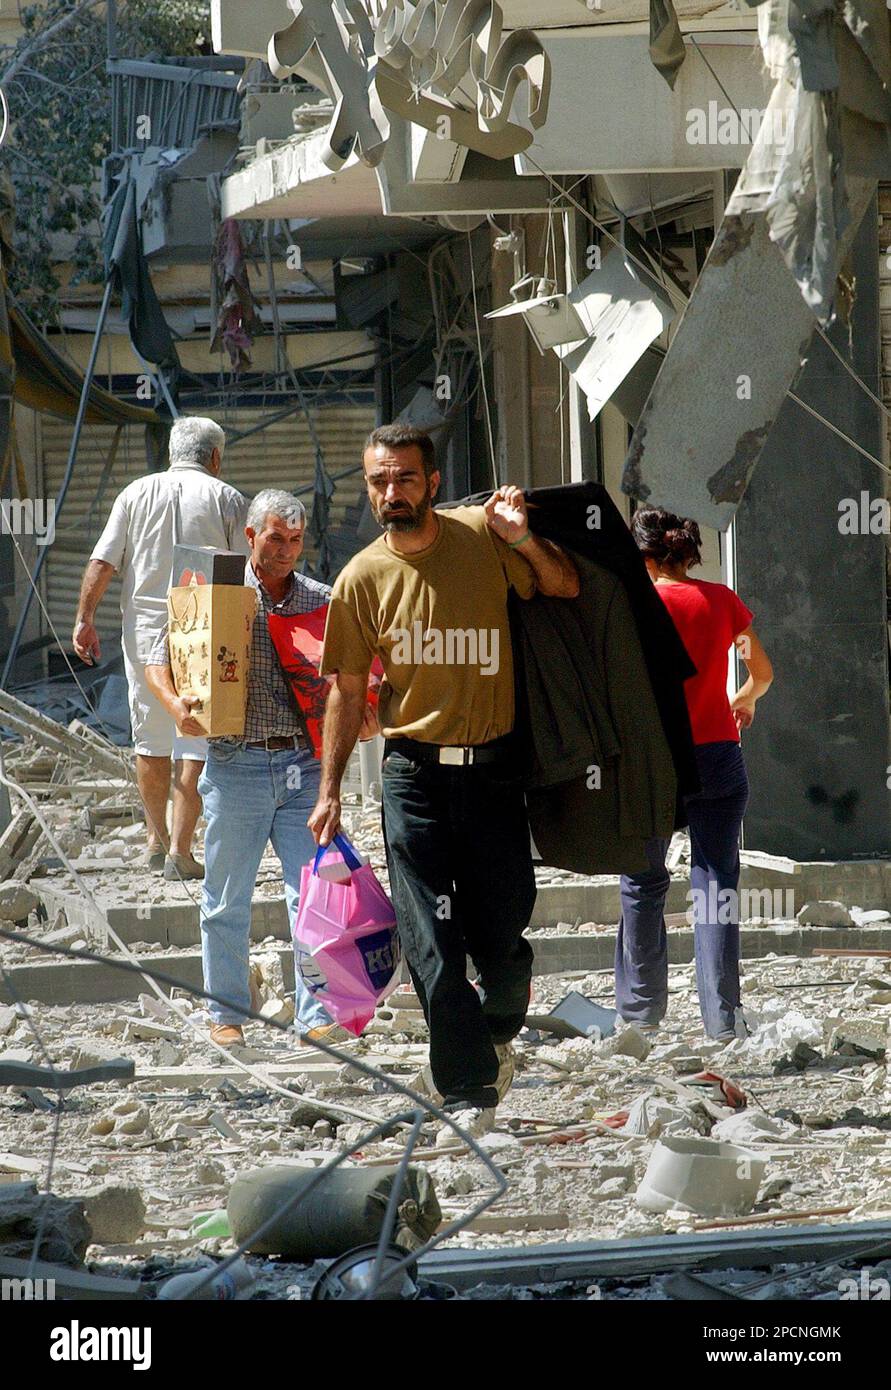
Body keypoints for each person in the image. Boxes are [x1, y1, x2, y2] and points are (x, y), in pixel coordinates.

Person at [309, 423, 579, 1136]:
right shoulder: (360, 578)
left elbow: (562, 582)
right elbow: (344, 687)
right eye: (377, 481)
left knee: (501, 936)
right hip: (413, 777)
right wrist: (330, 788)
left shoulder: (480, 537)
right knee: (429, 936)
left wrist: (518, 536)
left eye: (403, 478)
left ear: (430, 481)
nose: (390, 492)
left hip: (492, 774)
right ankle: (466, 1091)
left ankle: (494, 1032)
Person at [145, 489, 375, 1047]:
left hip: (302, 767)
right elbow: (158, 658)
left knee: (313, 897)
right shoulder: (214, 593)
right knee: (226, 899)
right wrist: (177, 707)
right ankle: (226, 1015)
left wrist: (365, 709)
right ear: (250, 537)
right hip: (235, 765)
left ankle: (316, 1018)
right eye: (276, 538)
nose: (287, 551)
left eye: (296, 540)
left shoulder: (321, 599)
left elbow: (355, 674)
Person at [616, 507, 774, 1040]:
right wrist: (743, 699)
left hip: (652, 761)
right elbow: (762, 673)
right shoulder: (723, 602)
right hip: (718, 758)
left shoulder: (635, 605)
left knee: (642, 881)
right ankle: (723, 1021)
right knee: (716, 888)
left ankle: (640, 1018)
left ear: (642, 556)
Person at [72, 416, 248, 880]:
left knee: (150, 739)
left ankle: (156, 842)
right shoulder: (227, 498)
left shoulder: (133, 494)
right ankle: (181, 853)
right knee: (194, 737)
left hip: (144, 630)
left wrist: (84, 620)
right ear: (214, 457)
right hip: (205, 628)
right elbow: (243, 576)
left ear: (173, 453)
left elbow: (102, 561)